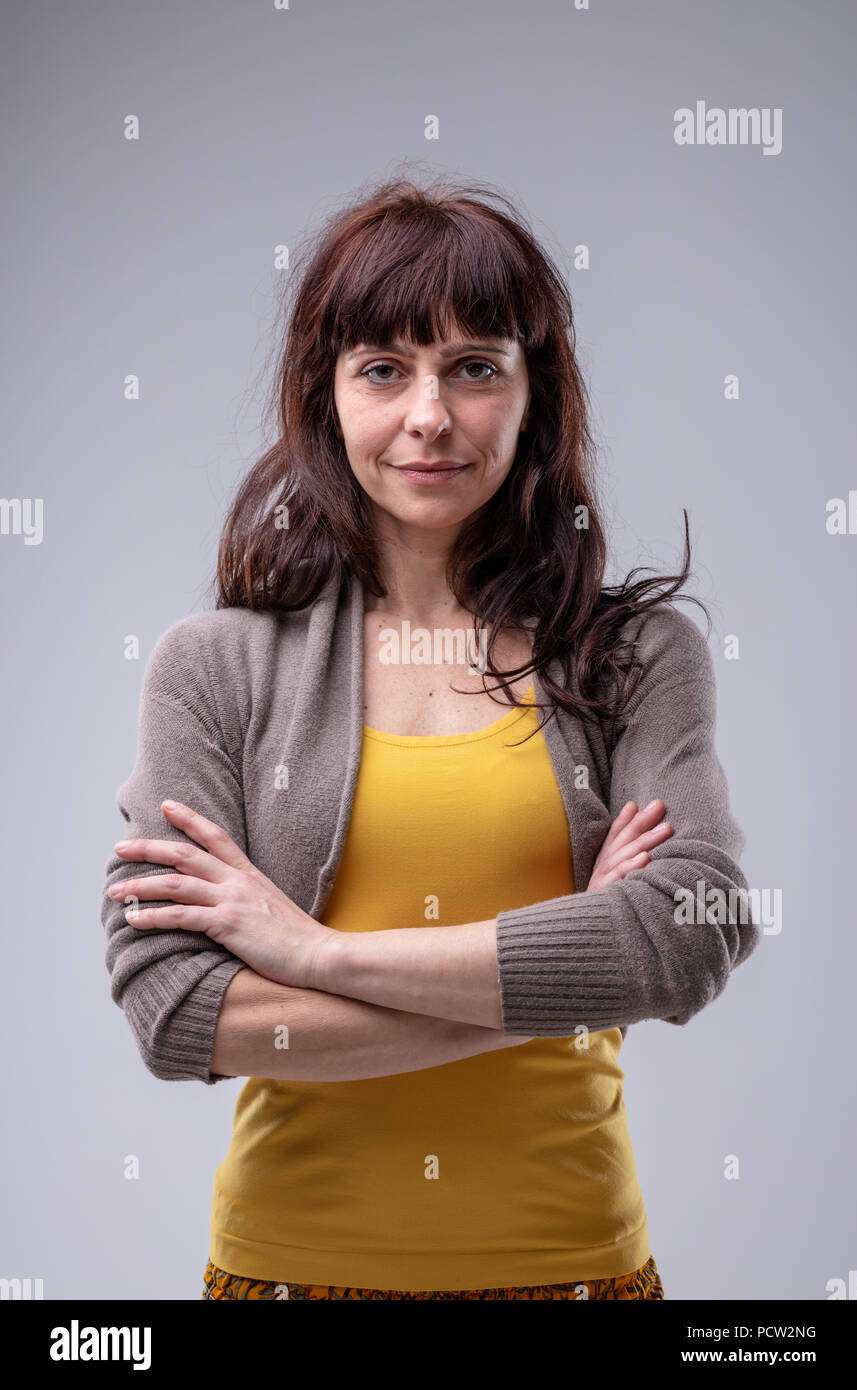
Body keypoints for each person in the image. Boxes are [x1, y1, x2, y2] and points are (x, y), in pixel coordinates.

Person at [101, 172, 760, 1301]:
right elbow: (175, 1010)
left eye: (473, 367)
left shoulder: (633, 657)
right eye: (382, 369)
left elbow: (688, 936)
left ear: (530, 393)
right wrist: (572, 967)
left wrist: (313, 955)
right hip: (282, 1279)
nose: (427, 415)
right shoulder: (210, 667)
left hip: (574, 1278)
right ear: (327, 397)